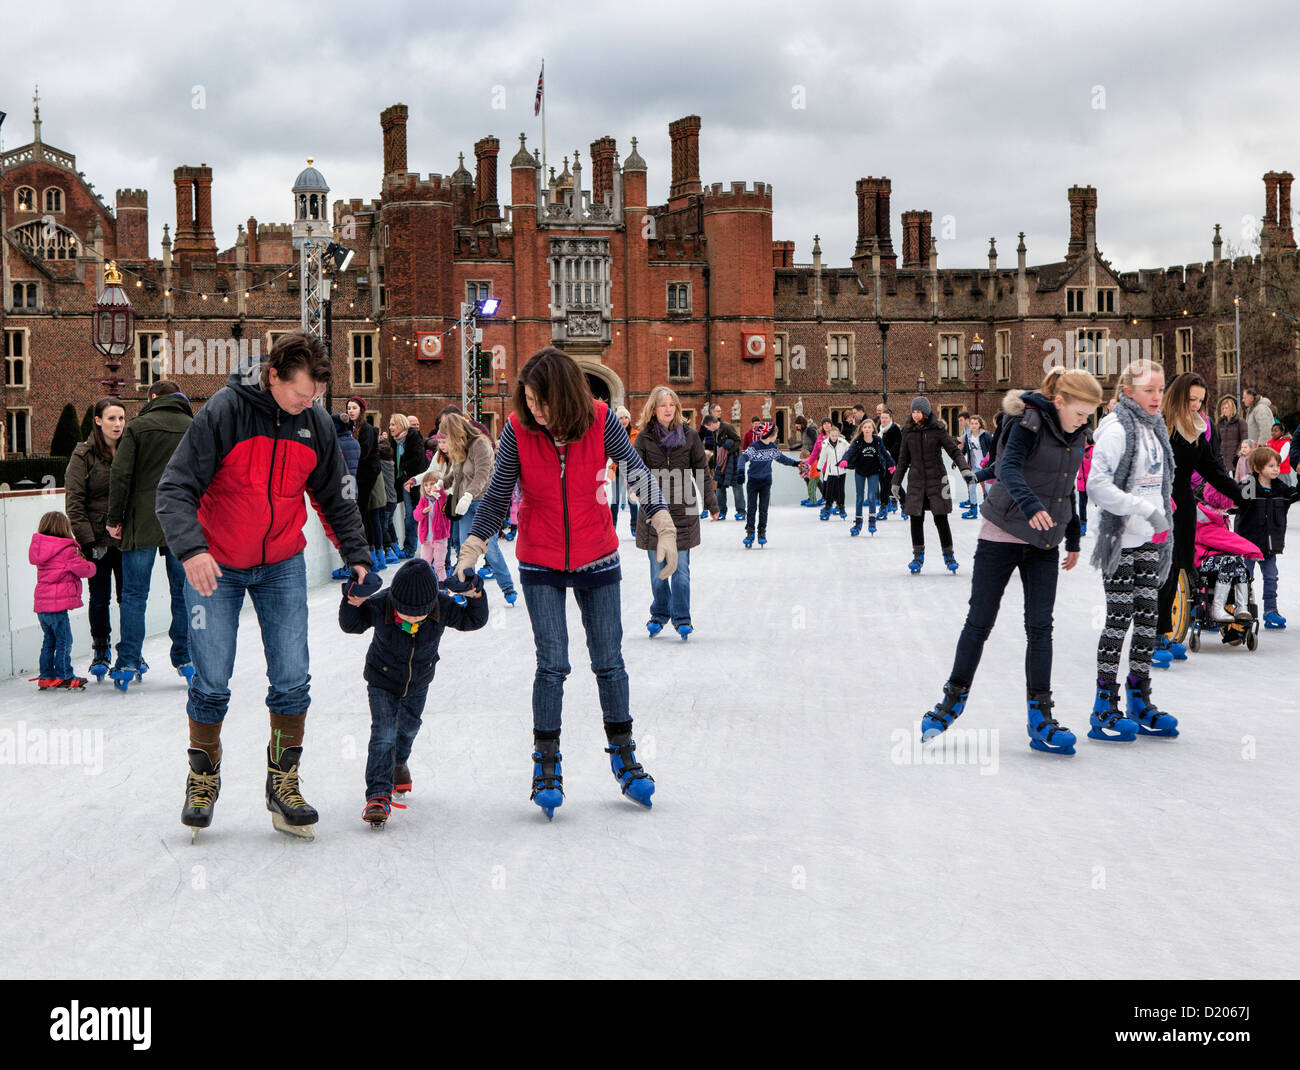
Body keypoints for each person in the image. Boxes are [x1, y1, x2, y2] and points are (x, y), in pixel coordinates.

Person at [156, 331, 372, 841]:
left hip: (281, 564)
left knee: (293, 675)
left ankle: (283, 781)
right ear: (273, 376)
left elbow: (337, 496)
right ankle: (202, 779)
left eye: (315, 397)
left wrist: (357, 556)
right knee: (210, 679)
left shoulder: (314, 423)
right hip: (216, 566)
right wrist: (192, 550)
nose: (307, 404)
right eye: (300, 394)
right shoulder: (225, 413)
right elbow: (175, 487)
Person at [454, 346, 674, 820]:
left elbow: (637, 473)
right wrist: (473, 545)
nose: (535, 410)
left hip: (597, 556)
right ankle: (547, 764)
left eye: (543, 401)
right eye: (529, 400)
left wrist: (663, 521)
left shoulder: (599, 418)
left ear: (567, 395)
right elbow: (496, 495)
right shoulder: (517, 428)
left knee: (609, 662)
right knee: (552, 664)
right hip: (540, 561)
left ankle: (624, 757)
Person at [920, 368, 1102, 755]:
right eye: (1081, 413)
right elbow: (1007, 468)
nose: (1085, 423)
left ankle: (1041, 717)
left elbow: (1066, 488)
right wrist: (1031, 505)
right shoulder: (1029, 421)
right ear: (1060, 402)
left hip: (1044, 540)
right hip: (1002, 531)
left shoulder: (1078, 435)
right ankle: (951, 702)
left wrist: (1072, 536)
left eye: (1089, 416)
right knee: (980, 621)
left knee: (1041, 627)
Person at [340, 557, 488, 827]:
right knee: (384, 732)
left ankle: (398, 764)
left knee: (408, 727)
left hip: (419, 680)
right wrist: (352, 600)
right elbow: (352, 624)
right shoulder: (383, 602)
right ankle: (378, 795)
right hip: (382, 679)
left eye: (419, 614)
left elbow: (474, 619)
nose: (410, 618)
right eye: (404, 612)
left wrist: (475, 594)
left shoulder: (441, 606)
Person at [1086, 359, 1179, 740]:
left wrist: (1163, 518)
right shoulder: (1114, 429)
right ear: (1128, 392)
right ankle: (1103, 704)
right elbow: (1097, 486)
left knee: (1147, 618)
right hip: (1120, 537)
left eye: (1160, 390)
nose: (1157, 397)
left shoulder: (1155, 428)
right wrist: (1145, 510)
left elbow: (1159, 482)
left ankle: (1139, 697)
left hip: (1149, 537)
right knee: (1119, 616)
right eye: (1148, 390)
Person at [104, 380, 194, 690]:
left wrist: (114, 518)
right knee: (183, 592)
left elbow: (121, 474)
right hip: (182, 521)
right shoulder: (193, 426)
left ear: (153, 397)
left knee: (134, 595)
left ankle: (128, 659)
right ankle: (186, 657)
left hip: (142, 519)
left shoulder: (138, 426)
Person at [1151, 372, 1244, 668]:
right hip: (1158, 506)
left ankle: (1163, 631)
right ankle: (1152, 636)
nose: (1196, 405)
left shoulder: (1195, 430)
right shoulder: (1159, 427)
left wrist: (1242, 496)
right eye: (1191, 399)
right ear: (1178, 396)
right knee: (1160, 571)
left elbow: (1213, 470)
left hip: (1184, 508)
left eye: (1201, 401)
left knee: (1178, 565)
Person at [633, 385, 717, 639]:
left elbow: (701, 471)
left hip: (683, 511)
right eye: (662, 405)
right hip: (653, 514)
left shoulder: (690, 436)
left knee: (680, 572)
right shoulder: (644, 438)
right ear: (654, 409)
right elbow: (635, 472)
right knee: (659, 573)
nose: (668, 409)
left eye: (672, 405)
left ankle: (682, 618)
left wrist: (712, 503)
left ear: (677, 408)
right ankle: (659, 613)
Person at [64, 397, 126, 681]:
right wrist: (88, 541)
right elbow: (74, 501)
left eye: (121, 418)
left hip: (127, 540)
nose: (117, 424)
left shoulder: (130, 449)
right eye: (111, 418)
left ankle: (130, 651)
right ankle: (101, 650)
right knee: (99, 598)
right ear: (98, 421)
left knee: (130, 599)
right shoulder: (83, 454)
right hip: (98, 541)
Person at [439, 410, 517, 606]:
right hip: (464, 506)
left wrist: (469, 494)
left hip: (484, 502)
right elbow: (457, 474)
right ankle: (464, 588)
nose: (446, 440)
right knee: (466, 548)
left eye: (447, 435)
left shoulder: (480, 444)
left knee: (489, 548)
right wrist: (442, 483)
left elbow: (483, 474)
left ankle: (507, 585)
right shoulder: (459, 448)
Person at [891, 396, 972, 574]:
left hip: (938, 479)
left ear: (926, 413)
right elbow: (903, 459)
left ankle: (949, 555)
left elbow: (954, 451)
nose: (915, 415)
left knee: (941, 518)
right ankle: (917, 556)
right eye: (913, 411)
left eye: (918, 412)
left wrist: (965, 470)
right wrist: (896, 482)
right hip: (916, 480)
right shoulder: (908, 432)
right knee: (915, 518)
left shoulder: (937, 430)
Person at [29, 510, 98, 689]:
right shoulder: (66, 550)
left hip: (42, 606)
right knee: (64, 641)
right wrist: (92, 565)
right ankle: (65, 676)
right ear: (64, 528)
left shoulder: (40, 548)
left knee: (49, 641)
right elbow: (85, 570)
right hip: (57, 607)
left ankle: (46, 676)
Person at [1236, 445, 1300, 629]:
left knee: (1271, 577)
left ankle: (1270, 610)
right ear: (1258, 469)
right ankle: (1243, 609)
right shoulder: (1249, 486)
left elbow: (1296, 494)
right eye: (1271, 466)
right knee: (1244, 577)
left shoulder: (1280, 489)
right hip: (1247, 544)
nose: (1276, 470)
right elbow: (1235, 501)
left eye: (1277, 466)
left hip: (1269, 546)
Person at [737, 421, 802, 547]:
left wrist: (796, 463)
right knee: (751, 508)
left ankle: (762, 532)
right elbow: (742, 458)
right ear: (771, 434)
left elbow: (783, 459)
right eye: (776, 434)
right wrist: (740, 471)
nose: (777, 436)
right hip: (753, 481)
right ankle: (750, 533)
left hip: (766, 481)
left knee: (763, 509)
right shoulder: (754, 447)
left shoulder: (773, 448)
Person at [840, 418, 893, 535]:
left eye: (869, 427)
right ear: (862, 429)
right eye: (865, 427)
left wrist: (892, 464)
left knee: (871, 497)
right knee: (859, 497)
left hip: (873, 472)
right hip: (860, 471)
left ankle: (872, 520)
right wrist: (844, 460)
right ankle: (858, 522)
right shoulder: (858, 441)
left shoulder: (877, 440)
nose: (867, 429)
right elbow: (850, 452)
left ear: (873, 429)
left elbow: (884, 453)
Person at [347, 396, 382, 566]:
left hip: (365, 475)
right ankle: (371, 552)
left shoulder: (366, 429)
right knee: (362, 512)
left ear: (361, 410)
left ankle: (370, 553)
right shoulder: (349, 428)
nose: (350, 411)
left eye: (354, 408)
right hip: (356, 475)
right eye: (349, 408)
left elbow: (364, 451)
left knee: (363, 512)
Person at [330, 414, 363, 580]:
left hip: (343, 488)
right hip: (352, 486)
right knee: (352, 526)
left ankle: (350, 566)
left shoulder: (337, 444)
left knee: (344, 529)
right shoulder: (354, 442)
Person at [390, 413, 422, 558]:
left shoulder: (413, 436)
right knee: (408, 514)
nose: (390, 427)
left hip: (415, 480)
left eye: (393, 424)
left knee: (412, 514)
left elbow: (417, 457)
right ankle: (407, 546)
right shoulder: (393, 440)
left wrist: (403, 466)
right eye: (390, 425)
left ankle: (411, 547)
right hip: (402, 480)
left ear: (401, 425)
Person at [414, 468, 453, 579]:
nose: (428, 487)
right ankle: (425, 587)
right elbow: (416, 515)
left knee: (439, 565)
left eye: (432, 484)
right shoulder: (423, 500)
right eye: (426, 485)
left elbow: (444, 509)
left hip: (440, 539)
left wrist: (439, 491)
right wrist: (422, 512)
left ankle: (443, 586)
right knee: (424, 565)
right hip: (426, 540)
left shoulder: (443, 498)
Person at [707, 414, 745, 520]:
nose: (708, 429)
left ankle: (741, 512)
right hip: (721, 463)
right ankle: (721, 512)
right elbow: (716, 448)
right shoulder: (715, 431)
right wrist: (714, 462)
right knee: (720, 487)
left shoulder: (727, 427)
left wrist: (728, 452)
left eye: (708, 427)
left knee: (737, 486)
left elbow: (738, 441)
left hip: (733, 462)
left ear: (712, 424)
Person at [607, 405, 635, 530]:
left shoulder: (635, 434)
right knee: (615, 500)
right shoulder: (612, 434)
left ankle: (634, 526)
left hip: (631, 470)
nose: (623, 420)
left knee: (632, 499)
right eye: (620, 418)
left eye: (625, 417)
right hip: (616, 469)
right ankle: (612, 525)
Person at [816, 424, 851, 520]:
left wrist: (847, 461)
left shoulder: (843, 443)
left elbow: (850, 451)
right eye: (832, 436)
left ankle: (841, 506)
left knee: (841, 490)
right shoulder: (825, 444)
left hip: (841, 471)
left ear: (839, 435)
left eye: (836, 435)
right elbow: (822, 457)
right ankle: (828, 507)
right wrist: (819, 467)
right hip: (831, 472)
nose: (834, 437)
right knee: (829, 491)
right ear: (829, 435)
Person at [877, 408, 902, 517]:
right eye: (882, 418)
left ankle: (901, 503)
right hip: (881, 462)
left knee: (893, 483)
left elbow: (898, 443)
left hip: (892, 461)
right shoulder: (880, 429)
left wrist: (889, 452)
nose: (884, 420)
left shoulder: (895, 428)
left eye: (886, 418)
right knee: (883, 484)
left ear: (890, 419)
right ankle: (884, 505)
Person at [1216, 397, 1248, 473]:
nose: (1224, 410)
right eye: (1223, 408)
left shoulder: (1240, 422)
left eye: (1226, 408)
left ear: (1232, 408)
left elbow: (1244, 439)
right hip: (1222, 457)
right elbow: (1217, 440)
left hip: (1235, 457)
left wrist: (1237, 454)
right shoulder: (1220, 423)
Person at [1266, 421, 1294, 486]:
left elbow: (1281, 458)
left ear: (1282, 432)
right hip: (1271, 471)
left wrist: (1270, 461)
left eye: (1276, 431)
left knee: (1283, 490)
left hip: (1282, 472)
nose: (1273, 433)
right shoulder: (1269, 442)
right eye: (1272, 431)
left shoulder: (1286, 443)